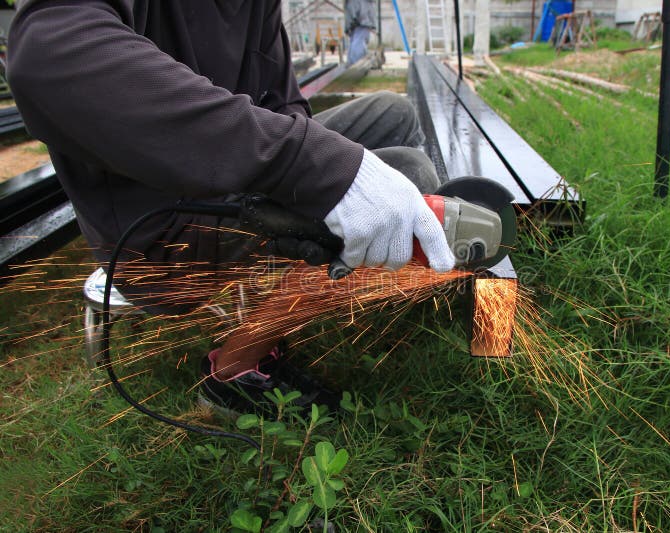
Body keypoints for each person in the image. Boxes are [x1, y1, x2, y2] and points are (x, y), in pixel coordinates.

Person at [7, 0, 454, 415]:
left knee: (393, 114)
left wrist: (326, 165)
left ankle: (384, 263)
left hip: (232, 177)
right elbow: (46, 56)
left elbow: (283, 105)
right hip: (158, 229)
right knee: (410, 170)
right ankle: (236, 366)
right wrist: (315, 170)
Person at [344, 0, 376, 65]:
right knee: (358, 41)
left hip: (359, 13)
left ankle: (354, 63)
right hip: (361, 14)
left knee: (357, 41)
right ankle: (356, 64)